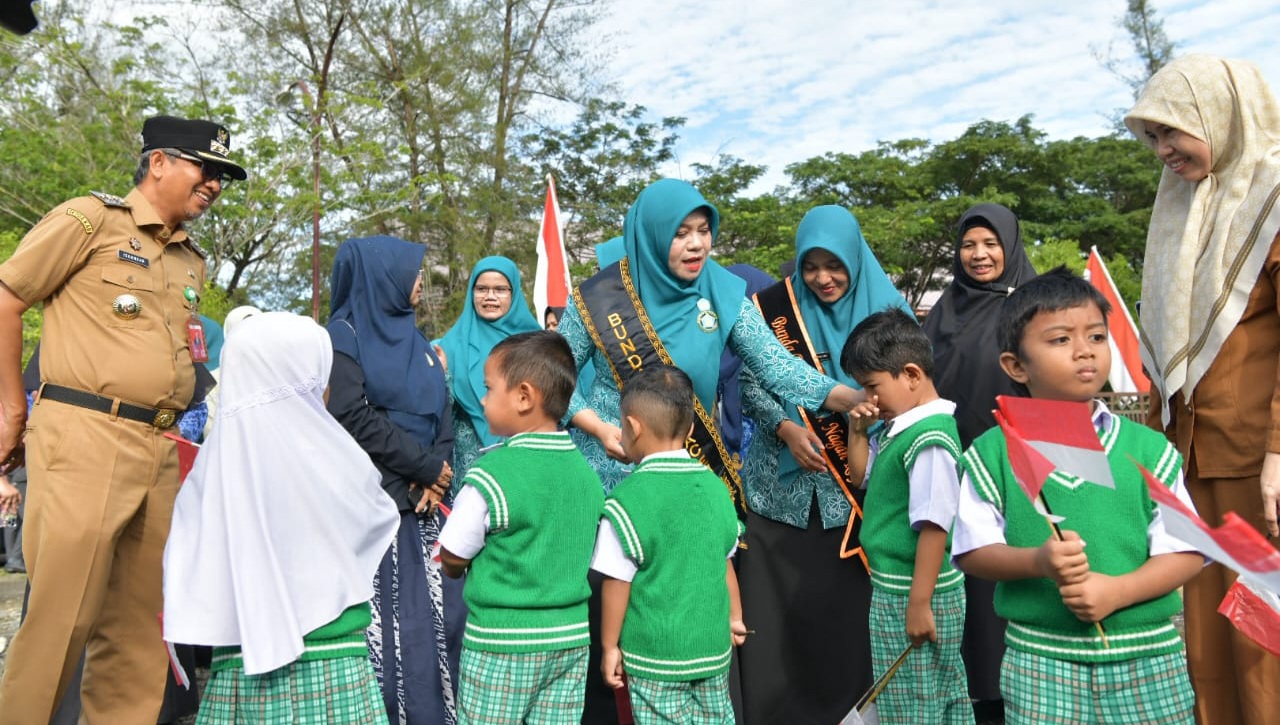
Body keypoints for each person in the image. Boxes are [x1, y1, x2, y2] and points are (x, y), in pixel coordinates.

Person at [558, 180, 867, 724]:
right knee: (614, 601)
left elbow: (774, 365)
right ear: (652, 236)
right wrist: (600, 428)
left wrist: (846, 397)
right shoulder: (598, 297)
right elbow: (555, 374)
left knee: (680, 602)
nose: (696, 244)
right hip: (611, 473)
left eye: (704, 231)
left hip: (687, 469)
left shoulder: (723, 292)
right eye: (681, 233)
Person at [0, 114, 245, 723]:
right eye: (204, 167)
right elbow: (6, 298)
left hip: (160, 446)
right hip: (85, 433)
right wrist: (9, 407)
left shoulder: (192, 260)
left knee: (140, 632)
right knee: (63, 620)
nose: (214, 183)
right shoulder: (87, 220)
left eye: (223, 175)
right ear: (158, 162)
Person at [952, 268, 1203, 725]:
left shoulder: (1149, 450)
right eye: (1061, 340)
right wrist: (1038, 563)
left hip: (1148, 660)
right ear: (1015, 366)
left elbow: (1186, 552)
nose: (1085, 350)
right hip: (1039, 661)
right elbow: (972, 549)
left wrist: (1116, 591)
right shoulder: (993, 452)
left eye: (1096, 336)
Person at [1124, 54, 1280, 725]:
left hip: (1258, 467)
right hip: (1191, 460)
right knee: (1207, 636)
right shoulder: (1180, 207)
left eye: (1172, 132)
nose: (1162, 151)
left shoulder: (1271, 196)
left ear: (1217, 115)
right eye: (1152, 137)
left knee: (1264, 633)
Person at [163, 312, 399, 723]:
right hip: (335, 663)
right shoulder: (338, 458)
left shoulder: (209, 474)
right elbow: (373, 517)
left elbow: (188, 567)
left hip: (239, 668)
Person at [737, 205, 911, 724]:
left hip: (855, 499)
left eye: (833, 265)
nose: (822, 278)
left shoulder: (890, 313)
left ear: (854, 259)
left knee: (843, 619)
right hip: (778, 497)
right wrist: (786, 428)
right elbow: (750, 382)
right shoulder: (770, 307)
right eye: (810, 265)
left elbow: (906, 393)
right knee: (779, 615)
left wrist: (862, 429)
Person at [325, 235, 462, 725]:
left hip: (426, 503)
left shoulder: (417, 339)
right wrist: (419, 468)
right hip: (377, 504)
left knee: (443, 621)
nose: (420, 282)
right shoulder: (343, 336)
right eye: (413, 273)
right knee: (391, 629)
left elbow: (442, 412)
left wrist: (438, 473)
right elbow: (348, 413)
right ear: (382, 277)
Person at [438, 330, 604, 724]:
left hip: (501, 640)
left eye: (489, 388)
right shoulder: (585, 473)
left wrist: (455, 566)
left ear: (524, 397)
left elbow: (452, 555)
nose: (482, 399)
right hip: (570, 637)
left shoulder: (491, 474)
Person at [922, 202, 1037, 719]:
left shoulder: (1032, 306)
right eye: (969, 244)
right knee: (965, 585)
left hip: (1017, 465)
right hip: (953, 469)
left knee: (1012, 578)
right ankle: (974, 700)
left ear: (1009, 246)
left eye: (991, 243)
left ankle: (1020, 692)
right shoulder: (944, 310)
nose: (979, 254)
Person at [592, 365, 746, 724]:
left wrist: (610, 646)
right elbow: (725, 564)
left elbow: (617, 582)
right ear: (691, 429)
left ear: (632, 427)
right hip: (712, 649)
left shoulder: (625, 500)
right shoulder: (715, 488)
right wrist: (735, 618)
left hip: (654, 656)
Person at [842, 308, 972, 725]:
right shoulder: (902, 425)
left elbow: (935, 524)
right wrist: (857, 431)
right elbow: (860, 476)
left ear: (911, 375)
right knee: (934, 693)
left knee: (912, 705)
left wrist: (919, 603)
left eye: (872, 386)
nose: (868, 398)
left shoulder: (929, 438)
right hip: (903, 588)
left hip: (913, 592)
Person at [438, 257, 541, 483]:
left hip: (528, 461)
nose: (490, 297)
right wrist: (442, 374)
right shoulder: (447, 347)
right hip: (470, 467)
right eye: (481, 289)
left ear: (513, 294)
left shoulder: (537, 343)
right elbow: (435, 409)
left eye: (500, 289)